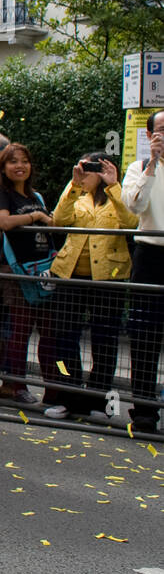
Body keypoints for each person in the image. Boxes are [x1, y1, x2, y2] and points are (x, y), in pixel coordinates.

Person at [47, 151, 136, 419]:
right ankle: (67, 393)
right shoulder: (76, 193)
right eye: (82, 167)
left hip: (108, 277)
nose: (85, 173)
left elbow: (132, 222)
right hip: (69, 274)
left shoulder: (117, 196)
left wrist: (113, 184)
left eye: (91, 168)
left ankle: (98, 399)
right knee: (64, 337)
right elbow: (59, 219)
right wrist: (73, 184)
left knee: (104, 339)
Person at [0, 143, 56, 406]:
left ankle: (53, 389)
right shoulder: (1, 194)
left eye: (25, 161)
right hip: (16, 270)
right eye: (13, 162)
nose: (20, 166)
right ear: (3, 168)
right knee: (21, 329)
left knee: (49, 332)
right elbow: (3, 222)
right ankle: (17, 386)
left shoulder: (35, 197)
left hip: (44, 269)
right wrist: (36, 216)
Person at [118, 113, 164, 433]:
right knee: (145, 336)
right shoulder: (137, 168)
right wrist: (153, 165)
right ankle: (145, 411)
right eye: (162, 130)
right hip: (151, 255)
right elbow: (135, 206)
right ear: (150, 135)